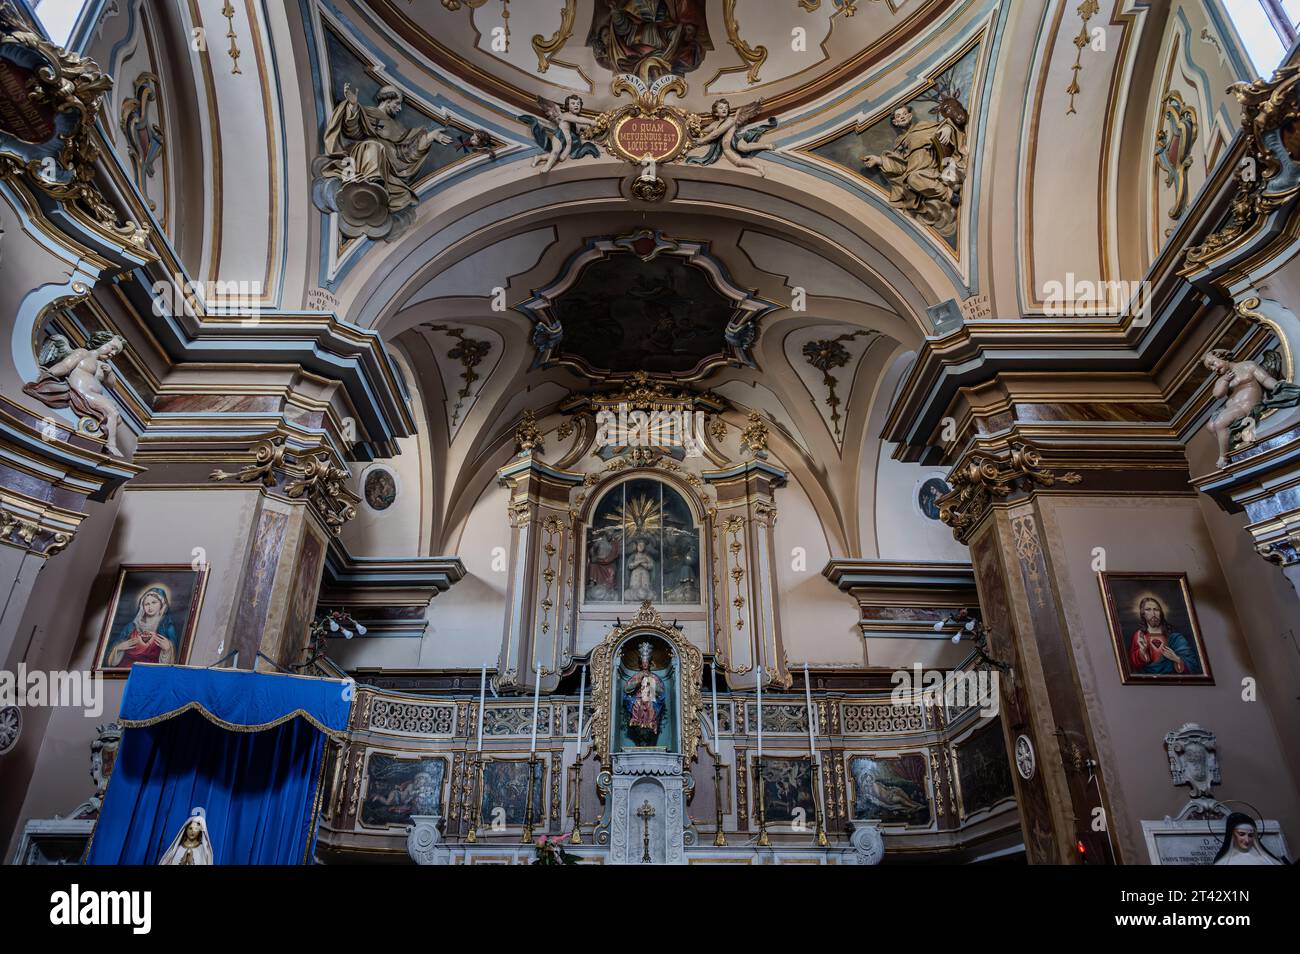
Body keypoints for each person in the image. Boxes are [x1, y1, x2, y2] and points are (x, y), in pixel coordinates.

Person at [22, 332, 127, 456]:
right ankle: (111, 445)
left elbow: (111, 384)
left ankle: (106, 441)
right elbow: (66, 366)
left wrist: (109, 373)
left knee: (118, 419)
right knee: (112, 413)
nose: (113, 353)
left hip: (93, 396)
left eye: (116, 352)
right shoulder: (83, 353)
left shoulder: (102, 366)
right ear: (101, 341)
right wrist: (49, 374)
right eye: (113, 348)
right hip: (82, 392)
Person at [106, 586, 178, 669]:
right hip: (126, 669)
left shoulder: (167, 628)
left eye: (154, 602)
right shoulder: (131, 627)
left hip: (151, 671)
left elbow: (172, 664)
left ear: (162, 604)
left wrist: (168, 649)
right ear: (142, 606)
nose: (150, 607)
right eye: (146, 604)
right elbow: (111, 661)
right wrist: (118, 648)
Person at [1127, 596, 1200, 676]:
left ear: (1161, 613)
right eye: (1148, 610)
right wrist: (1142, 651)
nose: (1153, 614)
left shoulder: (1174, 636)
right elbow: (1133, 665)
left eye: (1156, 609)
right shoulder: (1140, 635)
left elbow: (1192, 664)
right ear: (1143, 614)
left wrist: (1176, 659)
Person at [1211, 813, 1286, 865]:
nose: (1247, 840)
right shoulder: (1224, 862)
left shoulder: (1268, 859)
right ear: (1232, 835)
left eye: (1250, 835)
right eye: (1241, 834)